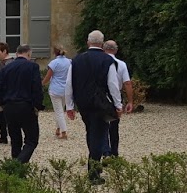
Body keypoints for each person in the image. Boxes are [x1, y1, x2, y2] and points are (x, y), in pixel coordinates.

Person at [69, 30, 122, 182]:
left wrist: (70, 105)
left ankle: (93, 162)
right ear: (102, 43)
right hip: (100, 103)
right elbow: (112, 85)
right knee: (99, 134)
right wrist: (118, 105)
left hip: (83, 102)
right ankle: (94, 172)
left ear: (88, 42)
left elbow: (69, 83)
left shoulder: (77, 59)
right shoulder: (107, 60)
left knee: (91, 131)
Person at [0, 44, 45, 164]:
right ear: (29, 53)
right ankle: (18, 165)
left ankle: (16, 170)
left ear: (16, 54)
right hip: (26, 106)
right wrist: (37, 105)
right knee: (32, 140)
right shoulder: (33, 67)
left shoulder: (6, 68)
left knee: (15, 140)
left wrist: (1, 104)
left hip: (9, 107)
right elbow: (37, 88)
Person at [104, 39, 134, 156]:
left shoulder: (101, 62)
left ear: (103, 49)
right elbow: (127, 83)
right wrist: (130, 101)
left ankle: (105, 151)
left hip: (103, 96)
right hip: (117, 96)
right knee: (114, 126)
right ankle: (114, 151)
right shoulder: (121, 64)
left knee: (103, 124)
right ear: (116, 50)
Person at [44, 45, 72, 140]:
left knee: (58, 111)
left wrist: (41, 83)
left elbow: (48, 76)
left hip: (55, 89)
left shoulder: (54, 63)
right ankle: (58, 129)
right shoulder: (69, 62)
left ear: (54, 52)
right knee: (61, 110)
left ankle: (64, 132)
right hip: (66, 90)